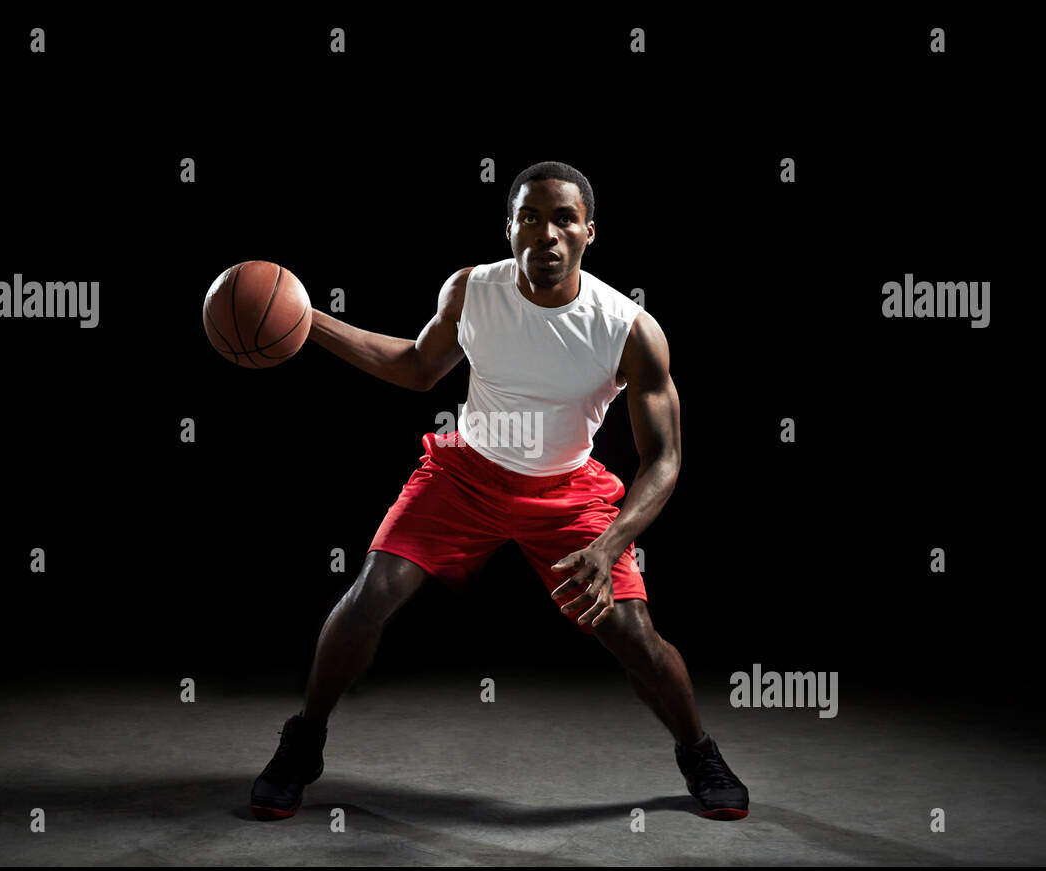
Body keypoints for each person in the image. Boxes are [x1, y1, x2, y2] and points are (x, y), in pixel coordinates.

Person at [251, 161, 749, 822]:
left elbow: (664, 460)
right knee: (370, 592)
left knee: (633, 634)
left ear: (589, 232)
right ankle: (302, 742)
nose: (546, 233)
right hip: (466, 475)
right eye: (530, 217)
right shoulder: (472, 290)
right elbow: (417, 369)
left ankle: (698, 752)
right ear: (510, 228)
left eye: (563, 219)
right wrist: (308, 320)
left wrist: (611, 541)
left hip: (567, 493)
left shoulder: (627, 328)